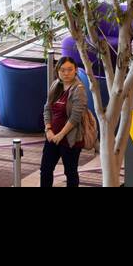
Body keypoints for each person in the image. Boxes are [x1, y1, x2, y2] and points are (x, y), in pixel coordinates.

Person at [41, 56, 88, 187]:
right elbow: (47, 108)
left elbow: (75, 117)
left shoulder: (79, 89)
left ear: (76, 70)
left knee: (70, 173)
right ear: (58, 71)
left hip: (70, 139)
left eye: (69, 70)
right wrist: (48, 129)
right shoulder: (56, 85)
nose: (66, 73)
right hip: (52, 136)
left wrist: (60, 135)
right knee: (45, 170)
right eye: (62, 70)